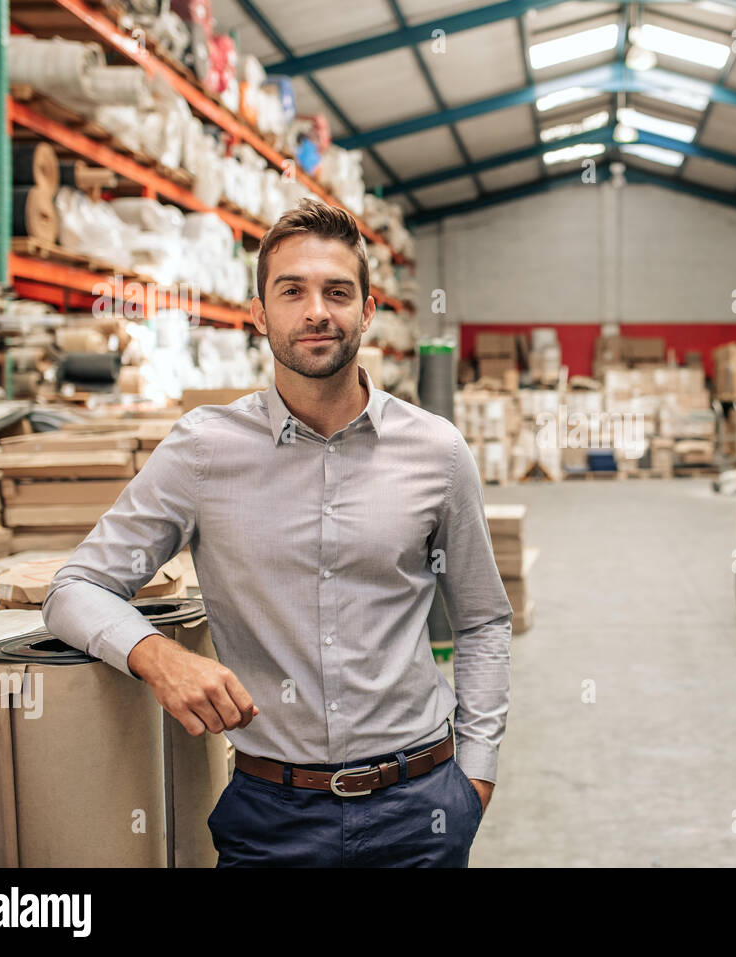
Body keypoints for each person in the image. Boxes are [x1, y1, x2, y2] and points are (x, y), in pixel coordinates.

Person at [42, 199, 512, 867]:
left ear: (367, 311)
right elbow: (75, 587)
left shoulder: (436, 451)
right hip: (273, 814)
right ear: (259, 314)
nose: (316, 310)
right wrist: (157, 654)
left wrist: (476, 776)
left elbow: (484, 619)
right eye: (292, 290)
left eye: (337, 291)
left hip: (421, 803)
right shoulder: (204, 450)